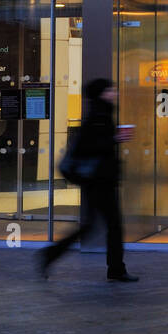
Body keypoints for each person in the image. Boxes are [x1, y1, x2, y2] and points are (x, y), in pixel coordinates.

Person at [39, 79, 137, 282]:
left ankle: (51, 254)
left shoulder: (100, 114)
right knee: (113, 225)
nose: (114, 93)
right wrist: (115, 139)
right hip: (100, 180)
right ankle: (116, 269)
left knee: (92, 225)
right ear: (102, 94)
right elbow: (90, 147)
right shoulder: (99, 116)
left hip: (96, 180)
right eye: (110, 90)